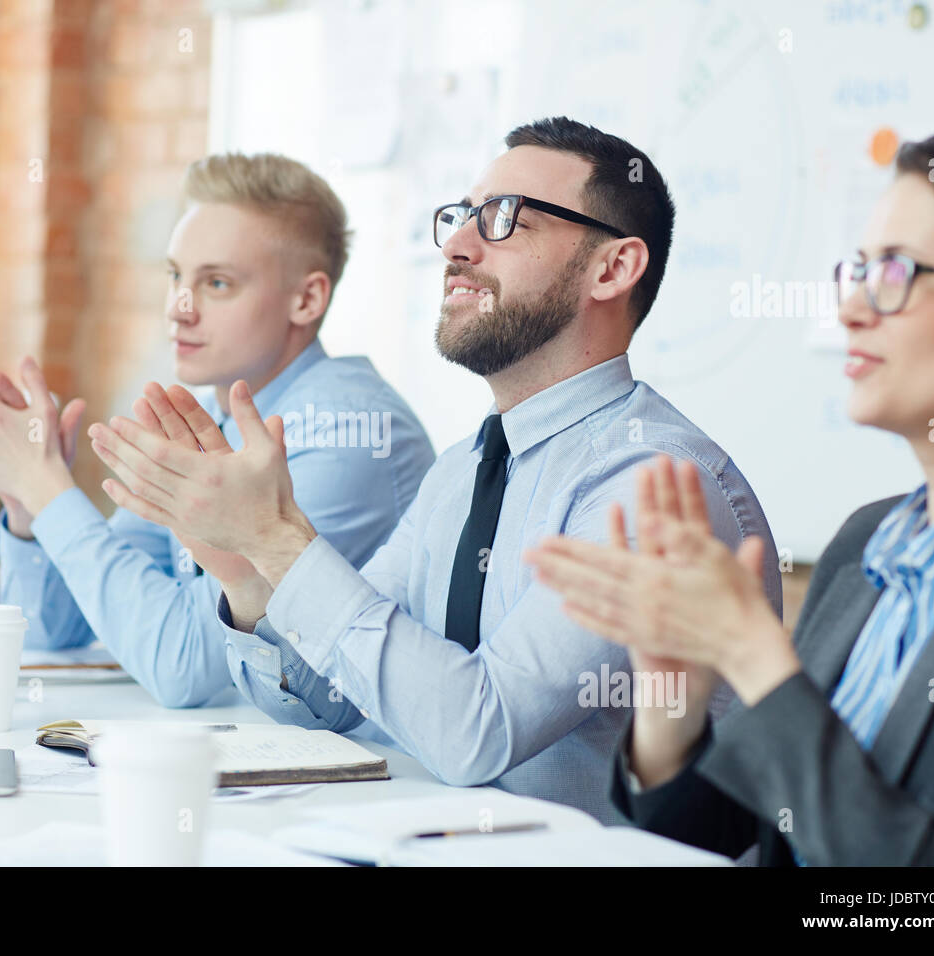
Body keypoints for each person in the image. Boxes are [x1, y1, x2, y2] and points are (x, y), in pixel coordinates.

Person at [87, 117, 782, 821]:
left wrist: (276, 541)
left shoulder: (649, 482)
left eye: (505, 220)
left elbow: (477, 732)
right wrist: (243, 574)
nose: (456, 245)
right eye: (461, 217)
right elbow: (329, 698)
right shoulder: (463, 471)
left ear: (612, 268)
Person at [525, 126, 934, 863]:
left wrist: (751, 655)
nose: (853, 310)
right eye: (857, 271)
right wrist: (672, 706)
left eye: (897, 273)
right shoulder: (867, 544)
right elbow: (740, 832)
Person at [0, 152, 435, 707]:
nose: (178, 310)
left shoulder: (345, 434)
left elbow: (183, 662)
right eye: (175, 276)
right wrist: (26, 506)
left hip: (363, 780)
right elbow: (53, 630)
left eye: (216, 282)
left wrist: (49, 490)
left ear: (306, 299)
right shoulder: (212, 420)